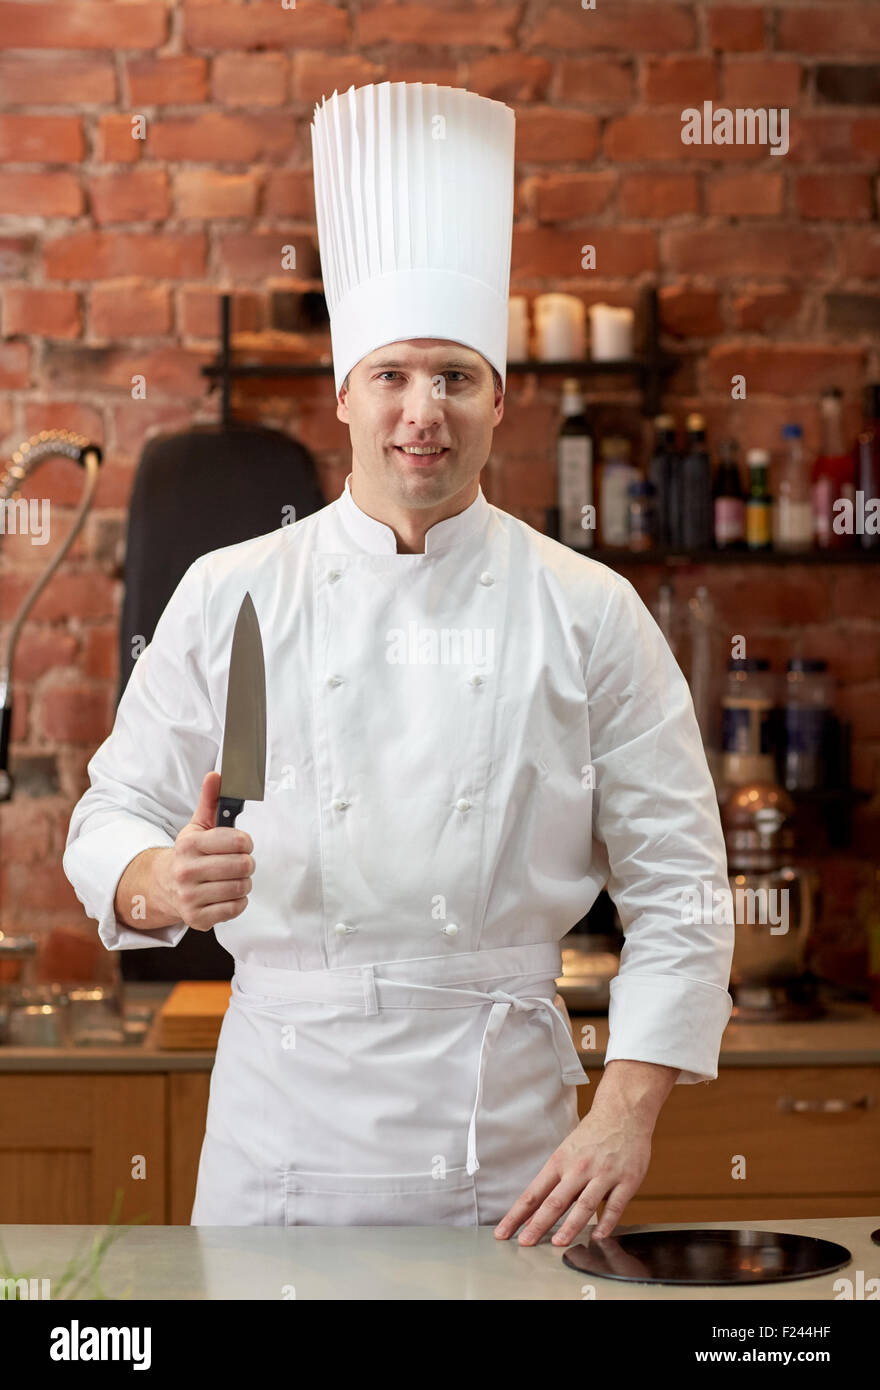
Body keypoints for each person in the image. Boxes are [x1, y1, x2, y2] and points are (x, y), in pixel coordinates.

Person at [64, 82, 734, 1244]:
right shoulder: (236, 593)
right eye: (392, 375)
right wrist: (156, 884)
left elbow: (680, 887)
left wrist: (627, 1112)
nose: (422, 410)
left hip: (517, 1149)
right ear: (344, 397)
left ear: (499, 403)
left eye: (454, 377)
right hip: (281, 1137)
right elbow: (110, 811)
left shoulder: (588, 611)